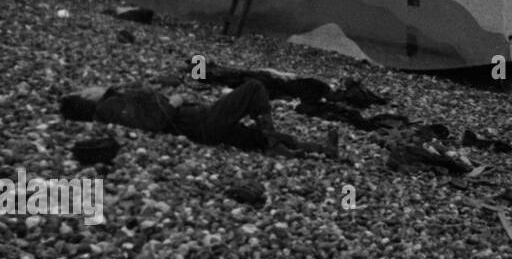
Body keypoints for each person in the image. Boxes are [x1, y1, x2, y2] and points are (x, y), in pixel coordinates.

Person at [60, 78, 325, 154]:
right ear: (87, 100)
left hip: (199, 122)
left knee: (254, 139)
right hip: (198, 124)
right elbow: (152, 123)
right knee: (254, 88)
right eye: (85, 91)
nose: (91, 87)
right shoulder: (108, 108)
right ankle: (272, 139)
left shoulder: (113, 100)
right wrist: (173, 103)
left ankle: (317, 149)